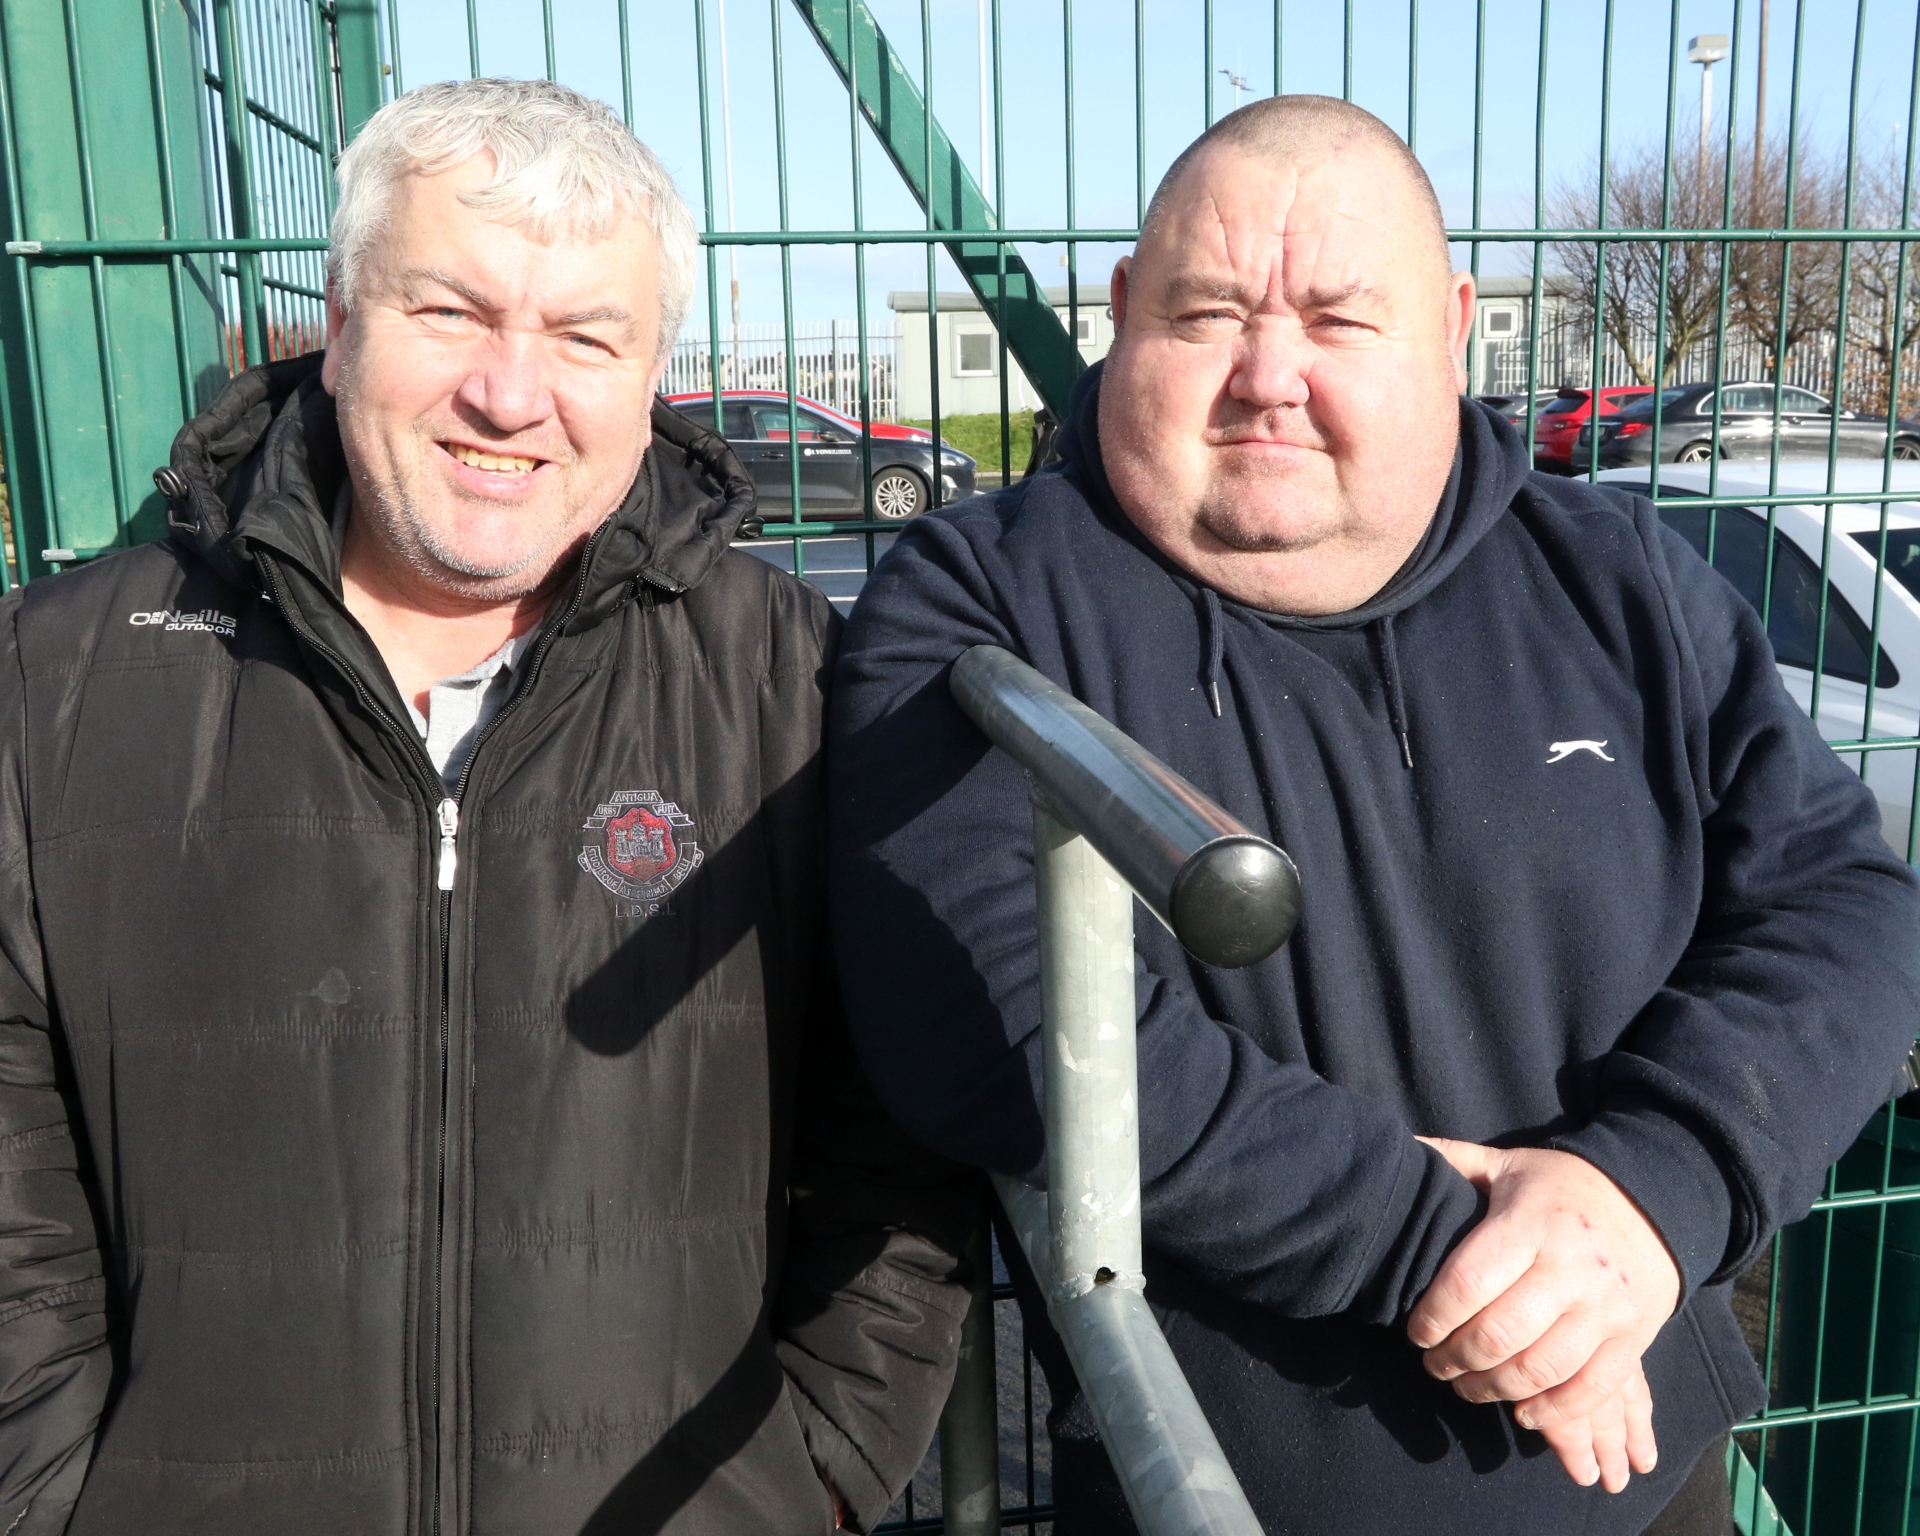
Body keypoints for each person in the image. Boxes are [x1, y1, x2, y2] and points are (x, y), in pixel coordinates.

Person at [828, 94, 1920, 1536]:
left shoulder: (1626, 585)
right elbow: (984, 1022)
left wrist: (1647, 1193)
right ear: (1119, 315)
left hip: (1640, 1468)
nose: (1268, 375)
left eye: (1341, 320)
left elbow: (1848, 905)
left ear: (1454, 326)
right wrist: (1459, 1250)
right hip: (1210, 1498)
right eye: (1208, 311)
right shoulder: (981, 605)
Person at [0, 78, 974, 1535]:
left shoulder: (792, 683)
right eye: (450, 313)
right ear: (336, 326)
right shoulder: (59, 680)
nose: (513, 394)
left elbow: (903, 1111)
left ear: (652, 372)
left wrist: (815, 1472)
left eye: (587, 336)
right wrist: (57, 1491)